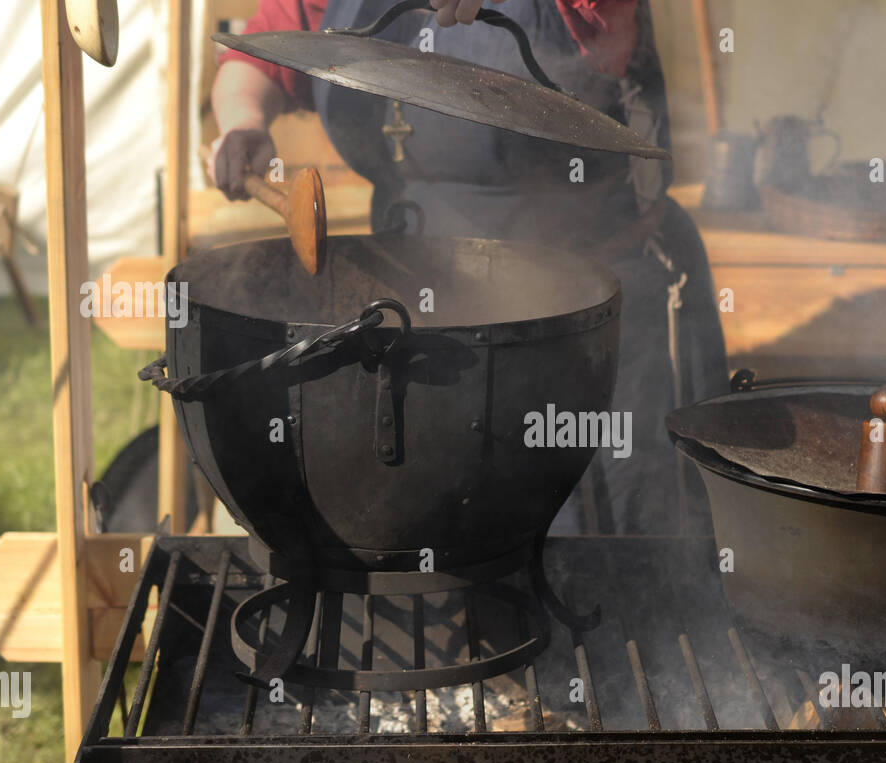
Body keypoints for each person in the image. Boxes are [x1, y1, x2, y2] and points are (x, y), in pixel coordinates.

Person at [210, 0, 727, 534]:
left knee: (617, 564)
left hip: (594, 322)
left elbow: (612, 22)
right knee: (465, 552)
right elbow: (264, 52)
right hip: (429, 324)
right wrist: (243, 119)